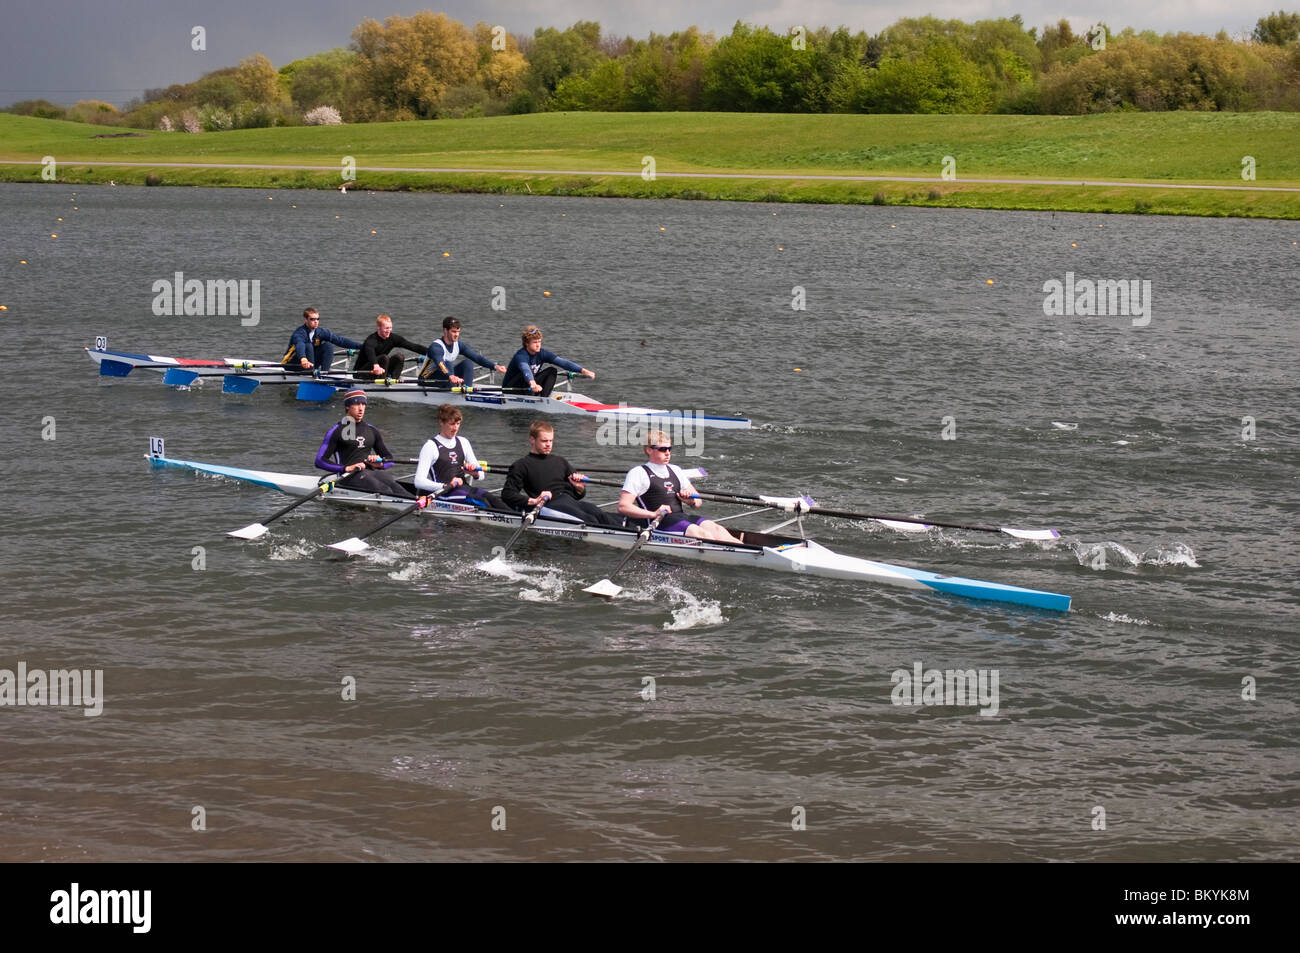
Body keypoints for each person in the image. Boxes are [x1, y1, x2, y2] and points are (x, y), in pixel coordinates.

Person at [618, 431, 743, 542]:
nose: (667, 453)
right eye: (662, 449)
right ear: (649, 450)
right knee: (701, 534)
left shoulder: (676, 470)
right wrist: (653, 514)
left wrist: (690, 501)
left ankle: (743, 549)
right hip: (659, 522)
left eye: (669, 449)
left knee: (717, 529)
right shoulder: (638, 473)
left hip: (681, 517)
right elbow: (623, 506)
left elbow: (698, 501)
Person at [501, 420, 622, 526]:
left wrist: (579, 488)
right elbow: (507, 494)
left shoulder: (560, 461)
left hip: (569, 501)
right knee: (590, 519)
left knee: (599, 513)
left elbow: (578, 495)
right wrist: (534, 500)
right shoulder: (521, 465)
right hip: (549, 505)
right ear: (532, 440)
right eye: (544, 441)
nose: (548, 444)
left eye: (551, 440)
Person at [315, 389, 414, 498]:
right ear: (347, 406)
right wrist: (346, 468)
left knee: (395, 487)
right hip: (347, 477)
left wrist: (379, 464)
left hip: (370, 472)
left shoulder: (372, 430)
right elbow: (320, 461)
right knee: (384, 489)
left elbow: (390, 459)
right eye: (357, 404)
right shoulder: (336, 431)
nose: (361, 408)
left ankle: (418, 504)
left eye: (363, 404)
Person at [414, 404, 507, 511]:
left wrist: (474, 473)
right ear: (441, 422)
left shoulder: (463, 442)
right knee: (481, 501)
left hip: (465, 488)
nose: (456, 428)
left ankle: (515, 517)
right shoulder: (430, 446)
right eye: (452, 424)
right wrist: (445, 485)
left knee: (493, 499)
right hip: (445, 494)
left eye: (458, 424)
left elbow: (481, 476)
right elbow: (419, 481)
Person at [501, 325, 596, 397]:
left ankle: (544, 398)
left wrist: (584, 371)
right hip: (511, 389)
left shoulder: (542, 353)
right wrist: (533, 383)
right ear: (526, 343)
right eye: (535, 342)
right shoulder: (521, 356)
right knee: (526, 372)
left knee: (552, 370)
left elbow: (563, 363)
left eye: (539, 342)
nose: (538, 345)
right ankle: (534, 393)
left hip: (528, 385)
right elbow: (525, 369)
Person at [419, 316, 507, 387]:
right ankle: (454, 390)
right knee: (448, 364)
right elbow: (440, 363)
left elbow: (477, 358)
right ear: (445, 331)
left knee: (467, 363)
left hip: (446, 376)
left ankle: (466, 390)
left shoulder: (458, 345)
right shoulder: (436, 347)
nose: (457, 335)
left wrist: (495, 366)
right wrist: (451, 376)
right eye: (453, 332)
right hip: (427, 379)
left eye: (458, 332)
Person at [281, 307, 361, 374]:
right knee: (308, 345)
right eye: (312, 319)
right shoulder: (299, 333)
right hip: (292, 365)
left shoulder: (321, 332)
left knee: (328, 345)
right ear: (305, 320)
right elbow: (300, 345)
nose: (316, 322)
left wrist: (362, 347)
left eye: (317, 319)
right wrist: (303, 358)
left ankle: (324, 374)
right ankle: (310, 375)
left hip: (309, 364)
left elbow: (340, 341)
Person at [353, 314, 426, 381]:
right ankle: (381, 382)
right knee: (384, 358)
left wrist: (431, 352)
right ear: (378, 328)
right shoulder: (371, 340)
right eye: (386, 328)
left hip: (380, 370)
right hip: (361, 372)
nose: (389, 330)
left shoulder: (393, 338)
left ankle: (393, 380)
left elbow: (413, 346)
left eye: (390, 328)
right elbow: (370, 353)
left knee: (399, 357)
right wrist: (375, 365)